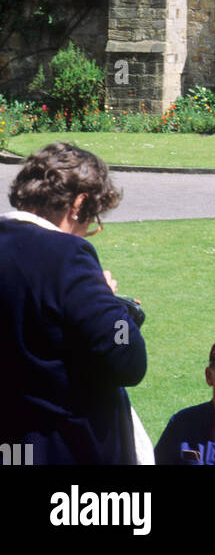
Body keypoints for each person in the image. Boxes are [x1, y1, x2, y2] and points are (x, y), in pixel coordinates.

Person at [0, 141, 147, 465]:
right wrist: (116, 309)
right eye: (91, 218)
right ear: (78, 204)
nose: (87, 232)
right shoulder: (66, 255)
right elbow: (127, 357)